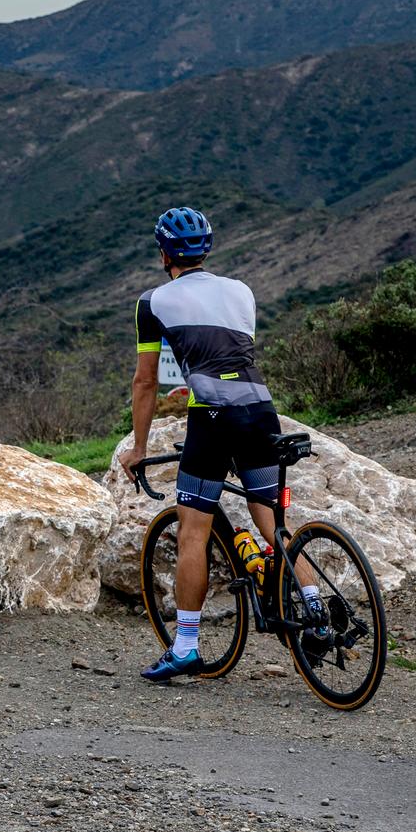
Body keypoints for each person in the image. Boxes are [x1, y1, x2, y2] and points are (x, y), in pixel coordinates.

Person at [115, 206, 326, 681]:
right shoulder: (241, 291)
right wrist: (193, 383)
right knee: (274, 527)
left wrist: (139, 448)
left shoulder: (152, 302)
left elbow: (144, 382)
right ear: (206, 248)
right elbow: (228, 358)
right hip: (259, 412)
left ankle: (186, 645)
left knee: (193, 532)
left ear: (164, 252)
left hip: (212, 421)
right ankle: (313, 608)